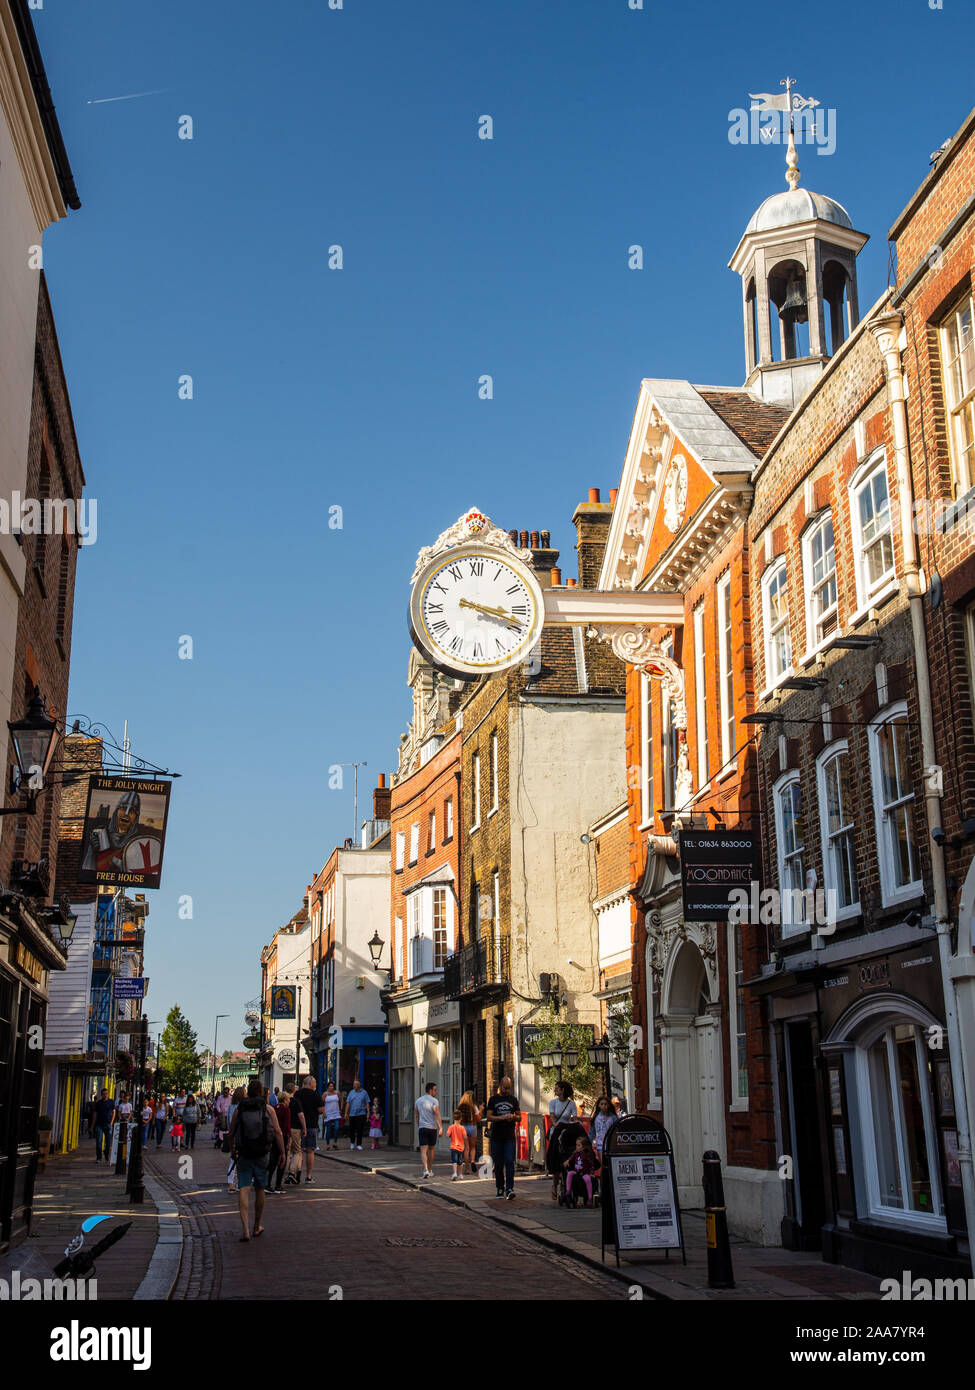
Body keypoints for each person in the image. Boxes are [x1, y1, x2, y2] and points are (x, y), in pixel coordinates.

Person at [228, 1078, 285, 1242]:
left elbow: (231, 1133)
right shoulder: (268, 1109)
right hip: (262, 1153)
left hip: (244, 1152)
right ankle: (257, 1226)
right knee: (260, 1188)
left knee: (244, 1189)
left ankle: (245, 1229)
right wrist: (282, 1152)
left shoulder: (240, 1109)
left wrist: (233, 1150)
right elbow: (277, 1132)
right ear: (261, 1092)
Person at [485, 1077, 520, 1200]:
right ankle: (500, 1187)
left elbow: (519, 1116)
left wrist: (513, 1117)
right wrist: (500, 1118)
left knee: (509, 1162)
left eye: (509, 1088)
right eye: (505, 1088)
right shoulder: (493, 1100)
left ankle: (509, 1188)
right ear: (500, 1086)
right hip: (497, 1136)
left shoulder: (513, 1100)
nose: (507, 1090)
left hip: (509, 1136)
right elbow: (489, 1116)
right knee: (498, 1163)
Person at [548, 1081, 578, 1197]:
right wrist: (555, 1124)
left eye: (557, 1088)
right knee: (556, 1158)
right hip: (556, 1131)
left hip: (566, 1131)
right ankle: (554, 1184)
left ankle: (566, 1183)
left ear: (563, 1090)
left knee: (566, 1156)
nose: (555, 1090)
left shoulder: (571, 1104)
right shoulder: (553, 1102)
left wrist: (576, 1123)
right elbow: (552, 1116)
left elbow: (574, 1118)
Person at [297, 1076, 324, 1183]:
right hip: (311, 1125)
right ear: (310, 1083)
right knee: (310, 1151)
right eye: (315, 1082)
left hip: (298, 1125)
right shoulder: (316, 1095)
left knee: (297, 1151)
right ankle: (308, 1176)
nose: (316, 1084)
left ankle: (295, 1174)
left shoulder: (298, 1094)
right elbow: (321, 1110)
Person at [267, 1083, 291, 1194]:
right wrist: (288, 1139)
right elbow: (287, 1126)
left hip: (274, 1137)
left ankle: (267, 1183)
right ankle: (278, 1185)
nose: (289, 1101)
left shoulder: (274, 1108)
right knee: (282, 1159)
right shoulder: (286, 1109)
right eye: (288, 1099)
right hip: (282, 1136)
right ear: (285, 1099)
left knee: (272, 1161)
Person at [563, 1135, 599, 1207]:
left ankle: (589, 1198)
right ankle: (568, 1191)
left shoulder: (587, 1155)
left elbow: (591, 1164)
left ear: (584, 1147)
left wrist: (591, 1173)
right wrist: (567, 1161)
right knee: (569, 1173)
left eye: (578, 1145)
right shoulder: (575, 1153)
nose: (577, 1147)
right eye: (576, 1145)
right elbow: (571, 1159)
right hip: (576, 1171)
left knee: (588, 1179)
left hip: (585, 1172)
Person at [414, 1082, 442, 1178]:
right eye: (435, 1090)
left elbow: (416, 1115)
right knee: (431, 1149)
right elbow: (437, 1113)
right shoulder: (434, 1101)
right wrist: (441, 1127)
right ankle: (430, 1170)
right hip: (432, 1128)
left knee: (423, 1151)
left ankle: (425, 1170)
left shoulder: (418, 1101)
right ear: (430, 1090)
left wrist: (419, 1123)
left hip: (422, 1128)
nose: (436, 1092)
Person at [286, 1082, 306, 1183]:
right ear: (294, 1090)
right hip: (295, 1129)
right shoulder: (296, 1102)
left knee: (287, 1151)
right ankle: (292, 1172)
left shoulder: (283, 1101)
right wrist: (304, 1128)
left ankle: (284, 1173)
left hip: (285, 1129)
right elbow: (301, 1116)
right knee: (297, 1151)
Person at [458, 1091, 480, 1175]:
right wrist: (480, 1110)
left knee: (466, 1148)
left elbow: (457, 1119)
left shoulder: (460, 1107)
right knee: (473, 1147)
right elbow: (478, 1118)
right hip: (472, 1127)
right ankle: (473, 1161)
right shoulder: (473, 1106)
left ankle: (467, 1169)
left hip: (463, 1127)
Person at [92, 1088, 117, 1163]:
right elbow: (95, 1114)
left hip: (108, 1124)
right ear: (101, 1094)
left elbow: (114, 1112)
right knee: (99, 1142)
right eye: (103, 1094)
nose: (105, 1095)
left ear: (108, 1094)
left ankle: (106, 1154)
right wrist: (92, 1126)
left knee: (108, 1142)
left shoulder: (111, 1102)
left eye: (106, 1093)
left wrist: (111, 1123)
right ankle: (99, 1157)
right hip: (99, 1124)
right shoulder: (98, 1103)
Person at [345, 1079, 370, 1150]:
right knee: (352, 1129)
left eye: (355, 1084)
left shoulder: (364, 1092)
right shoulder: (351, 1092)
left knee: (360, 1129)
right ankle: (352, 1143)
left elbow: (367, 1103)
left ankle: (359, 1144)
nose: (354, 1086)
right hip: (352, 1114)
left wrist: (368, 1112)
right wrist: (346, 1113)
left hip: (361, 1113)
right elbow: (348, 1103)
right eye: (353, 1084)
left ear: (359, 1085)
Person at [447, 1110, 467, 1181]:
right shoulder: (462, 1128)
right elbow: (465, 1137)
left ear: (453, 1118)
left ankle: (455, 1173)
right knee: (460, 1161)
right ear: (461, 1118)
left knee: (454, 1161)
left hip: (453, 1147)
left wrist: (451, 1135)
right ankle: (460, 1174)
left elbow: (447, 1135)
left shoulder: (451, 1127)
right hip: (461, 1147)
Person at [321, 1083, 341, 1149]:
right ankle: (327, 1144)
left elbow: (341, 1100)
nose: (331, 1087)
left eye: (332, 1086)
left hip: (336, 1113)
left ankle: (335, 1143)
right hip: (328, 1113)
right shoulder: (325, 1094)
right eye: (330, 1086)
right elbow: (321, 1103)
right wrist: (323, 1113)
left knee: (337, 1128)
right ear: (327, 1087)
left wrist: (340, 1109)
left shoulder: (337, 1093)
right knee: (328, 1129)